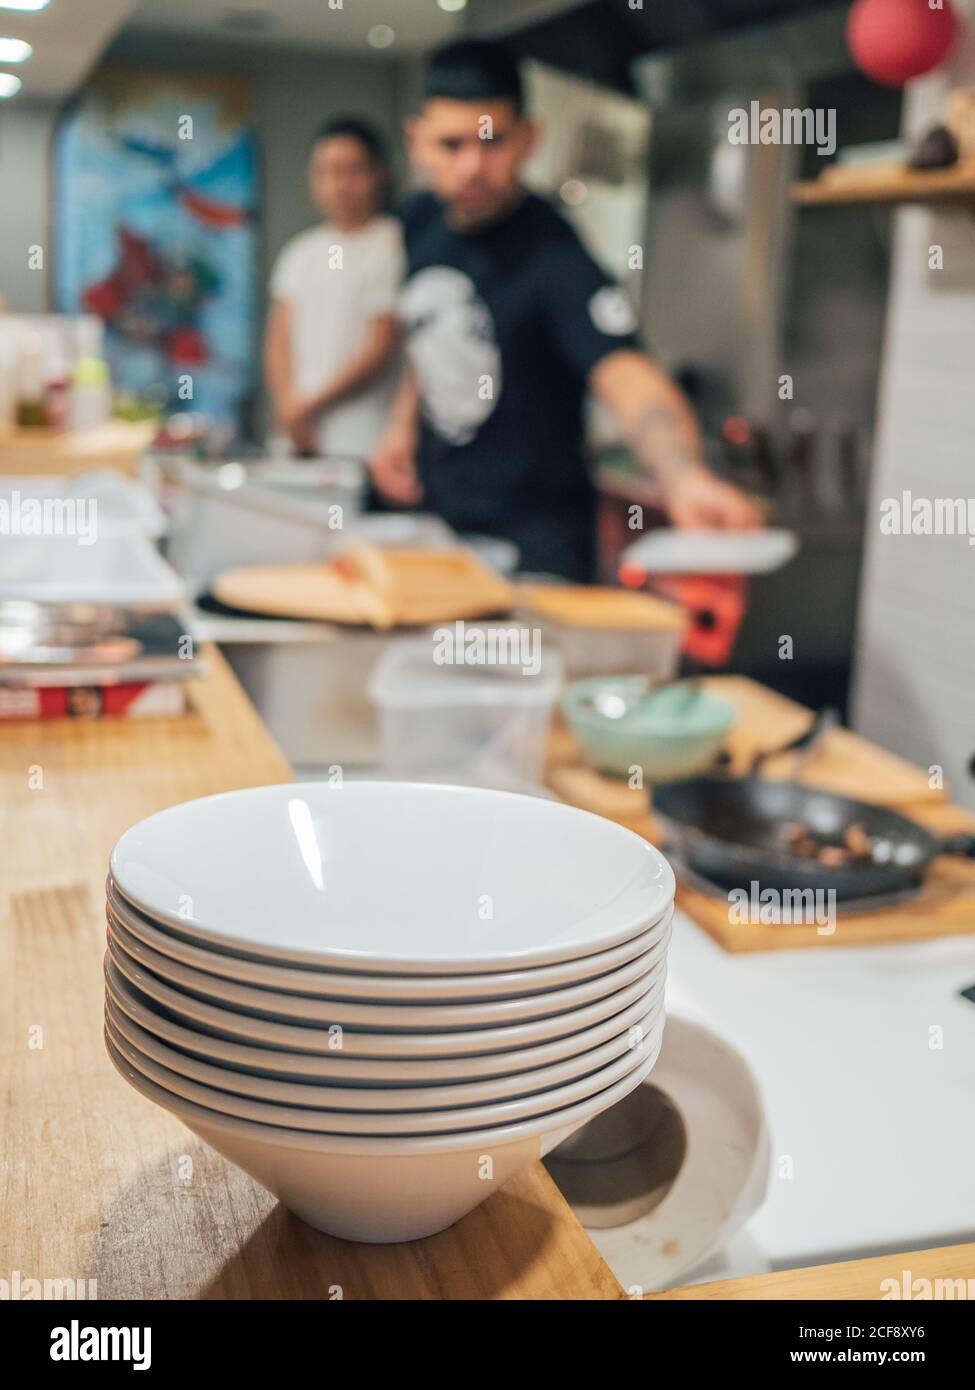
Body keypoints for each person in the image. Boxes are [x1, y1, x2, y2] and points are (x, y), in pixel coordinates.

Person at [371, 40, 762, 580]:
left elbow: (626, 375)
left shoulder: (557, 258)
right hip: (440, 524)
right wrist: (400, 427)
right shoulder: (419, 224)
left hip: (538, 545)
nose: (472, 166)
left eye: (493, 142)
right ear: (416, 141)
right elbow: (429, 330)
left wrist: (684, 478)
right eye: (451, 144)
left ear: (529, 138)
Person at [264, 117, 404, 459]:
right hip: (297, 438)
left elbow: (381, 347)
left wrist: (308, 407)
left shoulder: (392, 244)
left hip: (363, 441)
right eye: (325, 171)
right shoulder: (300, 252)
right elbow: (279, 340)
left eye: (351, 170)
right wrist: (289, 408)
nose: (338, 184)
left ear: (378, 173)